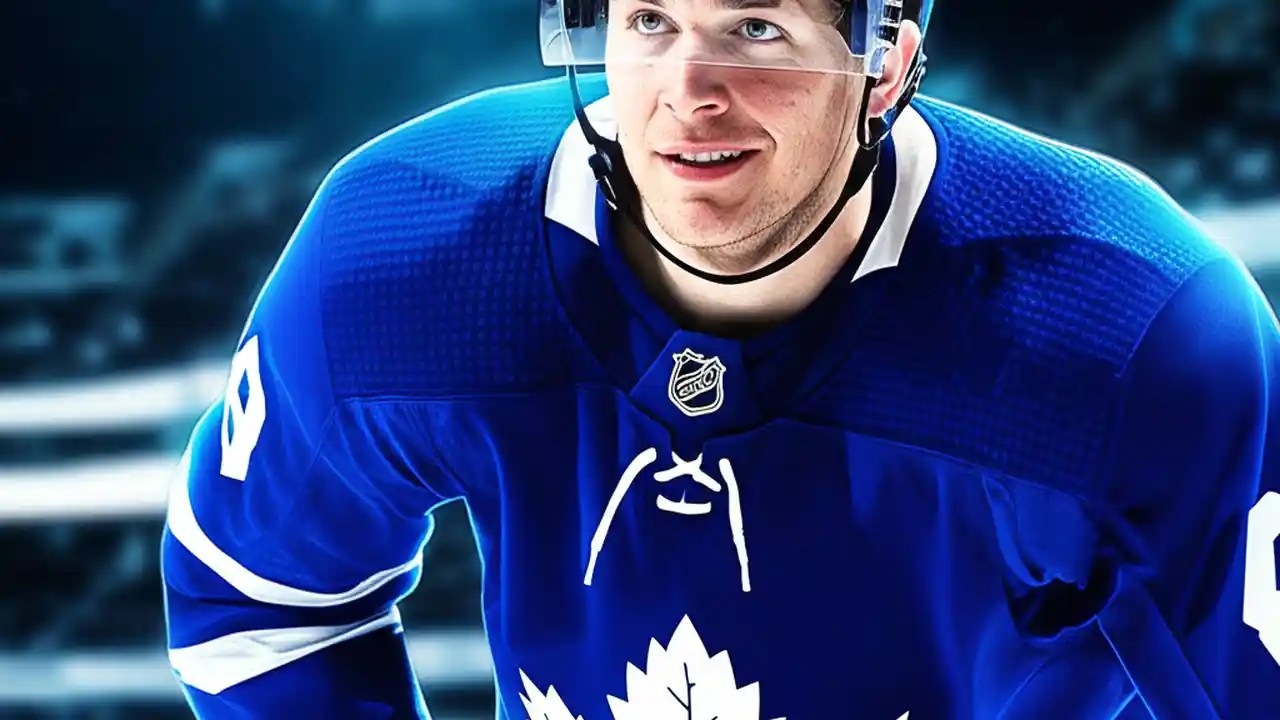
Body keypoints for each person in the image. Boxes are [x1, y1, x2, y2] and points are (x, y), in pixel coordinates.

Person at [160, 1, 1280, 717]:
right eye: (649, 20)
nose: (686, 90)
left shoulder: (1129, 324)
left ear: (884, 60)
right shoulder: (402, 245)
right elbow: (258, 604)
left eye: (755, 28)